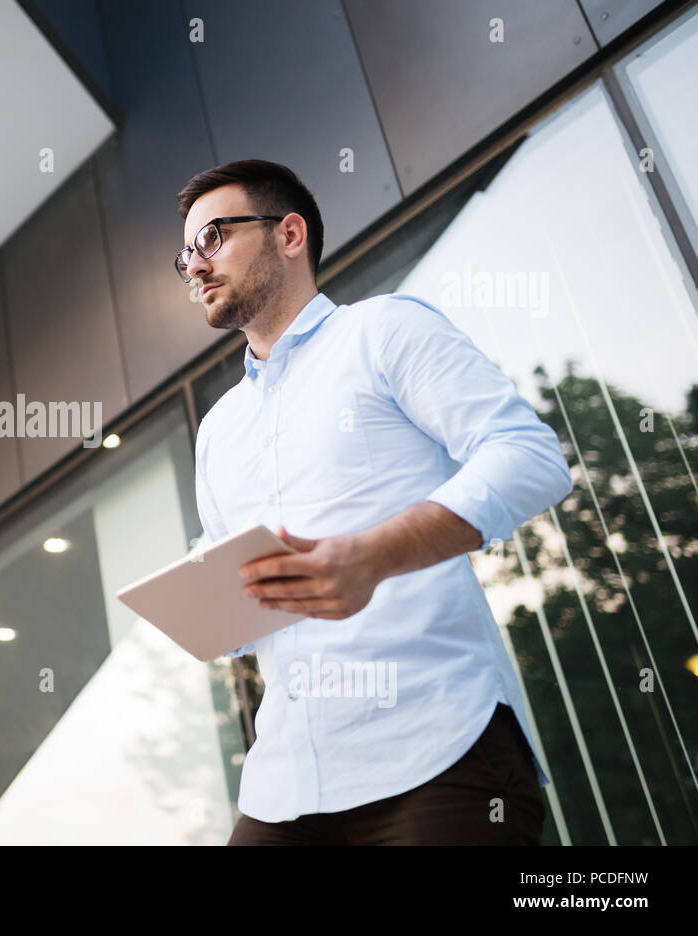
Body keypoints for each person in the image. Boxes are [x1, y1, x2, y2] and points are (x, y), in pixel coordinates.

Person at [179, 159, 572, 845]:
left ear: (290, 234)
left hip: (434, 749)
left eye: (211, 237)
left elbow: (529, 457)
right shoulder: (216, 431)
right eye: (184, 254)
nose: (194, 266)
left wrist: (370, 556)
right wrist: (199, 604)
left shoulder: (384, 331)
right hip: (284, 783)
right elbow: (241, 614)